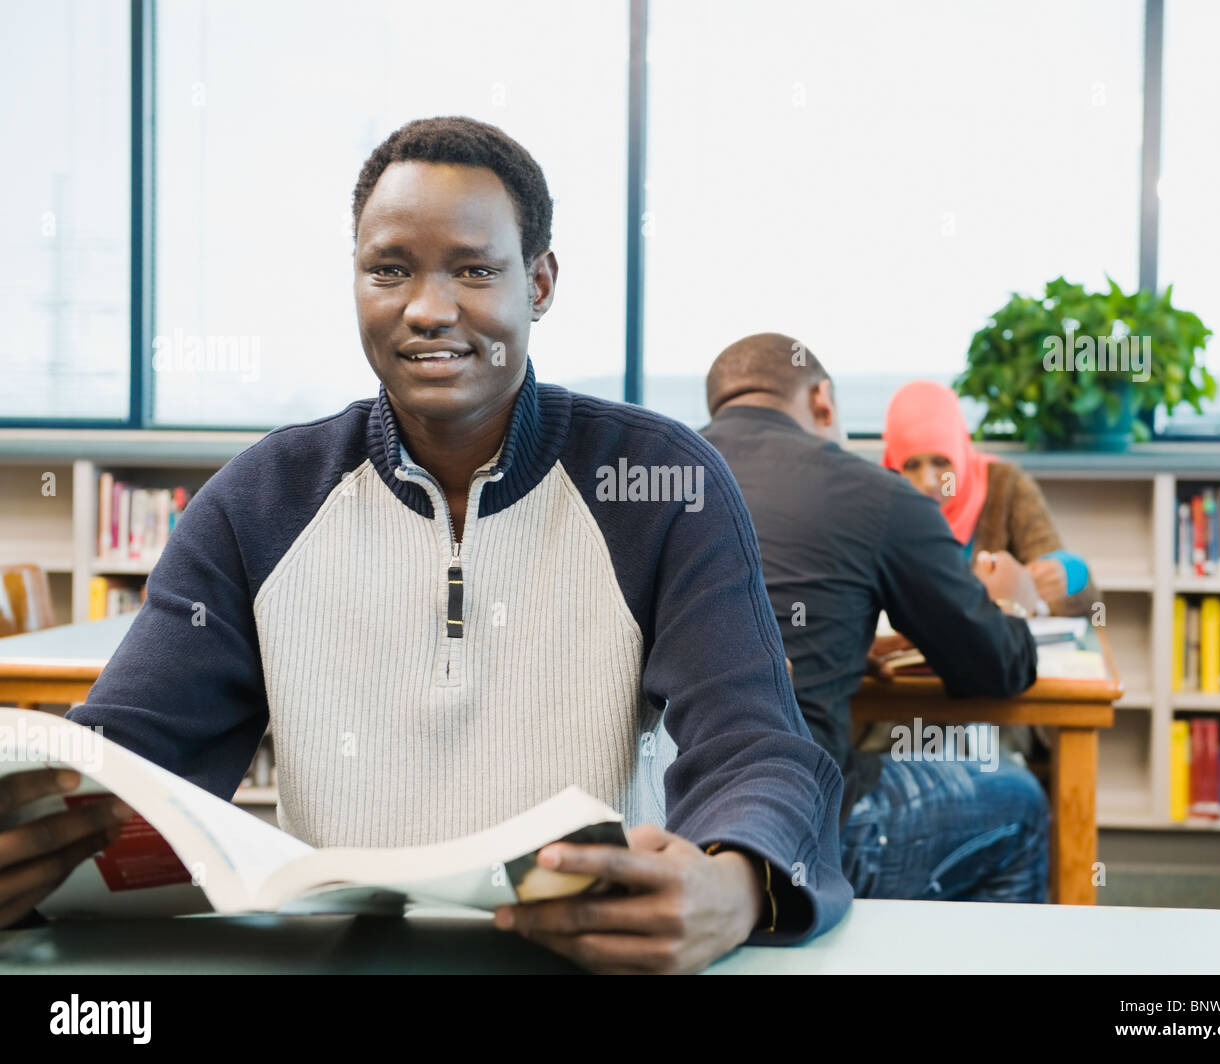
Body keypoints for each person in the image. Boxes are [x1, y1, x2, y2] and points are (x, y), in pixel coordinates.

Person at [0, 118, 852, 972]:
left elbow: (758, 749)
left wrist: (737, 885)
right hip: (337, 961)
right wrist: (30, 845)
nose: (428, 309)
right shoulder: (257, 504)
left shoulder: (662, 484)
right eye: (390, 270)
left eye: (476, 270)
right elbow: (123, 765)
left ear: (541, 283)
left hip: (579, 956)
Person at [700, 333, 1048, 903]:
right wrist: (1009, 600)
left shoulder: (662, 474)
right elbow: (996, 668)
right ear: (823, 402)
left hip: (655, 811)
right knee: (1020, 802)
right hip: (798, 827)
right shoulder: (876, 495)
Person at [882, 379, 1096, 618]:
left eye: (941, 462)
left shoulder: (1006, 487)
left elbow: (1084, 601)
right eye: (911, 465)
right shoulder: (879, 505)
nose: (929, 481)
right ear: (892, 465)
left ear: (961, 450)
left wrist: (1067, 575)